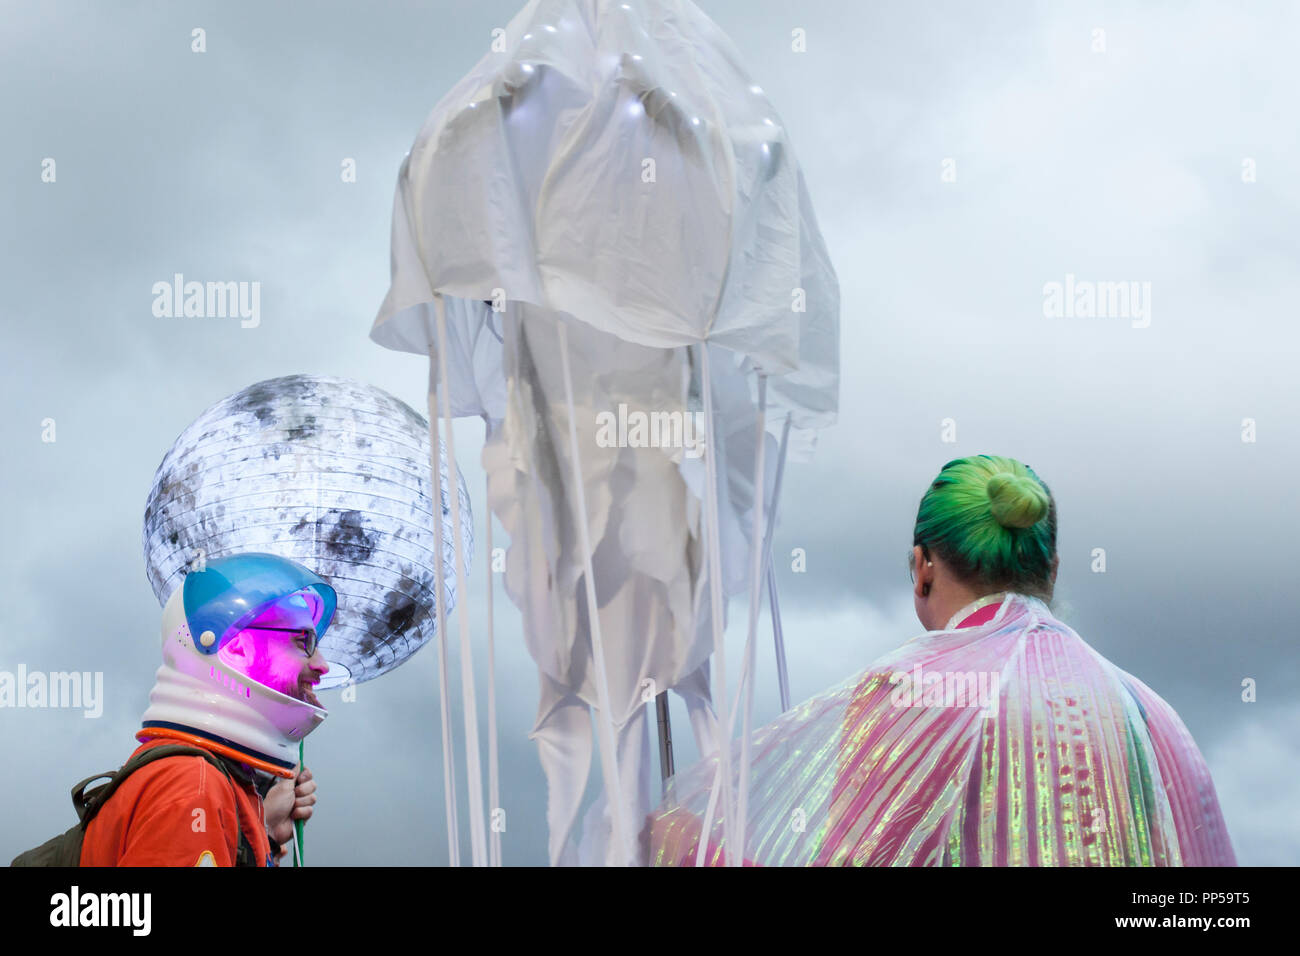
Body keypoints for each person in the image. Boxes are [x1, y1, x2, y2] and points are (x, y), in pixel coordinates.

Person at [644, 455, 1237, 866]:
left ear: (923, 566)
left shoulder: (913, 695)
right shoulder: (1153, 716)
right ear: (1051, 571)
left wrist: (688, 848)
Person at [80, 552, 332, 866]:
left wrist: (264, 831)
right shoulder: (193, 784)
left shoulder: (199, 779)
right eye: (303, 641)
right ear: (237, 645)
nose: (322, 665)